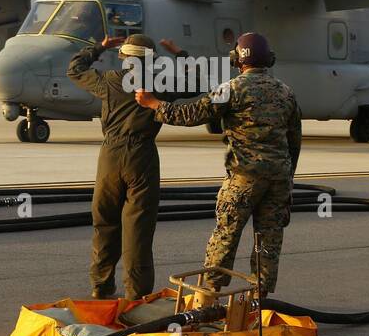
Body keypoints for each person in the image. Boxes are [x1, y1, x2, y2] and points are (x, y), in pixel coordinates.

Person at [135, 31, 301, 294]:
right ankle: (260, 303)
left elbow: (191, 114)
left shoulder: (232, 89)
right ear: (268, 59)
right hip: (279, 179)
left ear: (237, 59)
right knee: (269, 241)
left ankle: (209, 297)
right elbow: (294, 142)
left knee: (226, 236)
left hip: (244, 177)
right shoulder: (286, 92)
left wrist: (155, 104)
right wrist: (288, 178)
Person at [68, 33, 189, 300]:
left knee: (105, 222)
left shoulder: (108, 80)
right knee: (138, 228)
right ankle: (137, 295)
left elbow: (75, 69)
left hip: (110, 156)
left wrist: (98, 47)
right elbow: (197, 82)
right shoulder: (161, 83)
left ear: (123, 56)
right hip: (142, 156)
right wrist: (179, 53)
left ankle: (101, 286)